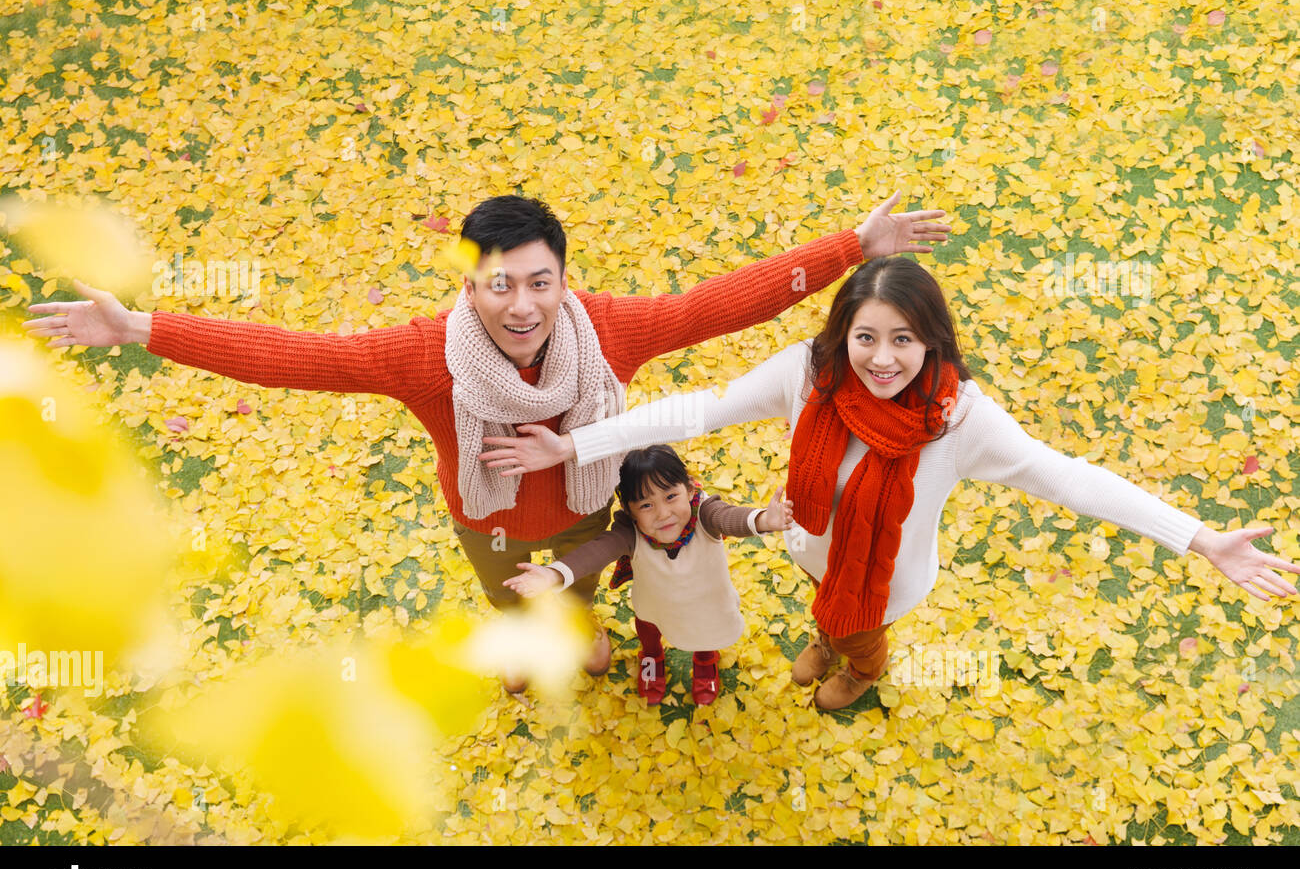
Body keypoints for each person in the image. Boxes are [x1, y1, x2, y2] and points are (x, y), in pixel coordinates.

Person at [23, 193, 951, 694]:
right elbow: (298, 358)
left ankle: (581, 633)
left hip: (589, 505)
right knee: (520, 608)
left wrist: (849, 248)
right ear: (470, 288)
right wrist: (142, 329)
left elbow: (711, 306)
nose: (522, 305)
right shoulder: (428, 358)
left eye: (540, 284)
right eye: (500, 286)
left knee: (583, 589)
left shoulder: (609, 334)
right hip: (493, 524)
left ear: (562, 283)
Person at [477, 256, 1300, 709]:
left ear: (931, 343)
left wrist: (1199, 539)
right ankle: (825, 636)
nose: (882, 359)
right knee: (821, 601)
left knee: (860, 637)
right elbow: (702, 409)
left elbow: (1072, 481)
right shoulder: (808, 374)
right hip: (808, 548)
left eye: (903, 341)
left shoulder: (959, 419)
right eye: (867, 336)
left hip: (888, 583)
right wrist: (574, 445)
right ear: (843, 334)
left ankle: (854, 667)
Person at [504, 445, 795, 705]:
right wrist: (554, 574)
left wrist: (762, 520)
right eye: (646, 505)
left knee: (707, 631)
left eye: (671, 496)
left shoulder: (705, 513)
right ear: (629, 512)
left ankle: (705, 660)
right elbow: (599, 550)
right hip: (654, 604)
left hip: (706, 602)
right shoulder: (631, 533)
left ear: (690, 490)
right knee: (649, 630)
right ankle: (652, 658)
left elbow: (729, 518)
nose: (663, 513)